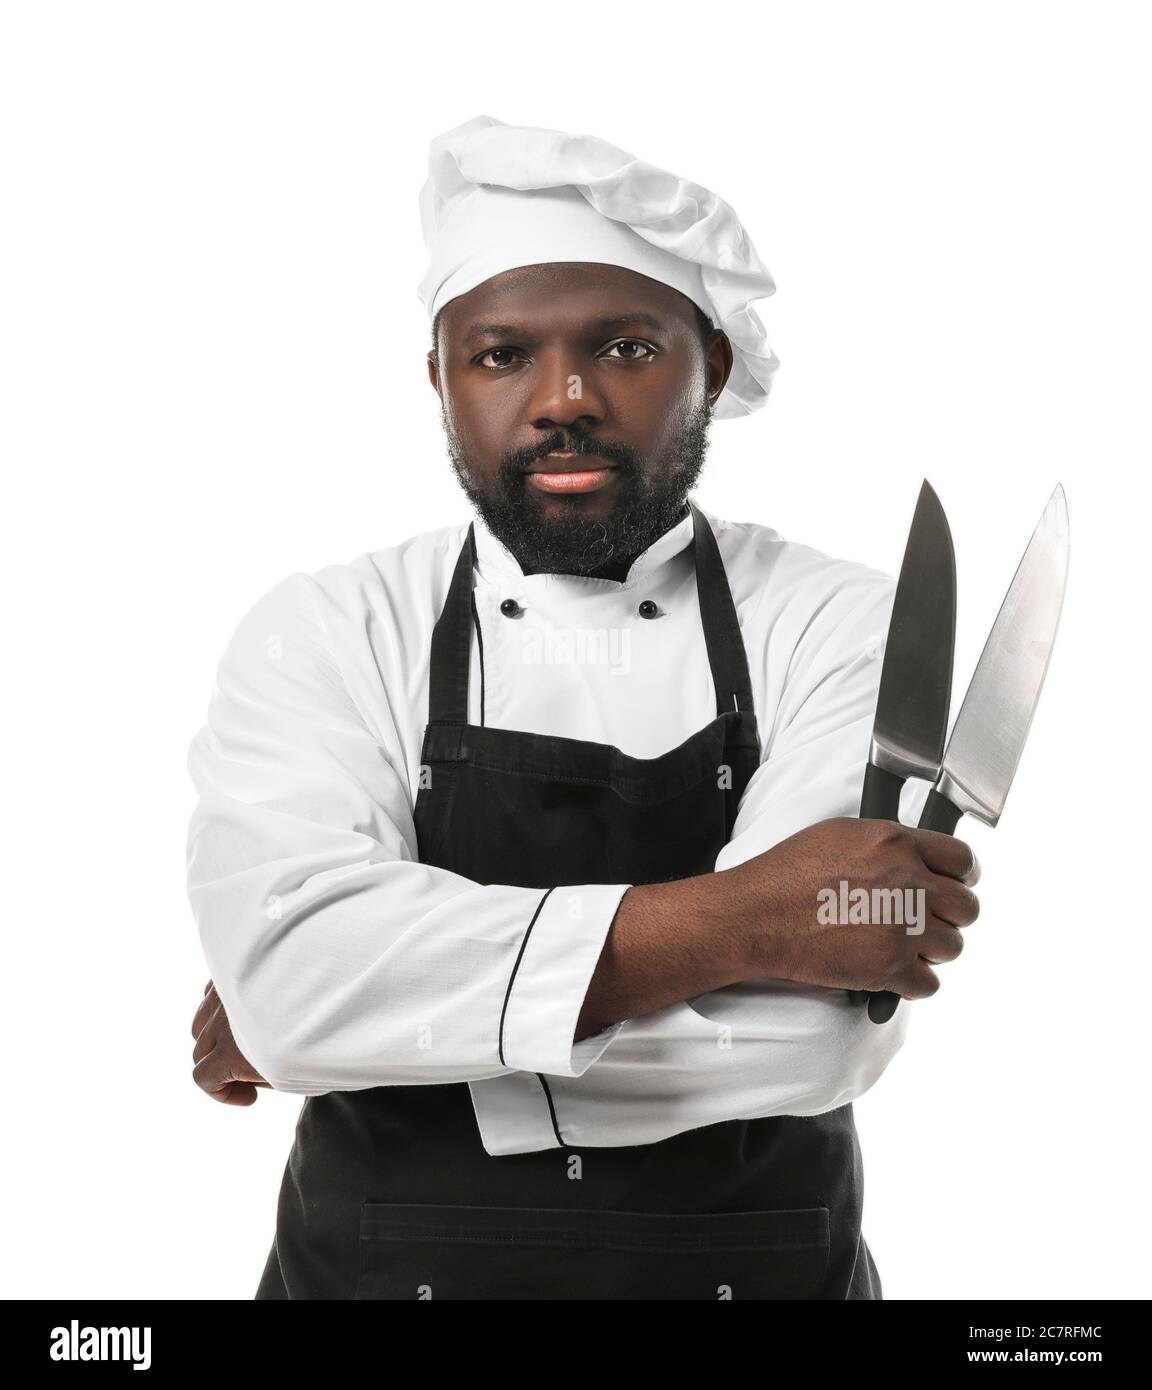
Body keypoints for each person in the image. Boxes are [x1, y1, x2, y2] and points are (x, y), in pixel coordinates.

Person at [186, 115, 979, 1301]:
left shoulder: (843, 623)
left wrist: (368, 1021)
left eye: (624, 346)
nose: (565, 400)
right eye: (501, 355)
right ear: (440, 378)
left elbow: (817, 1037)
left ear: (709, 358)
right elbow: (296, 981)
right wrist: (746, 921)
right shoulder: (330, 628)